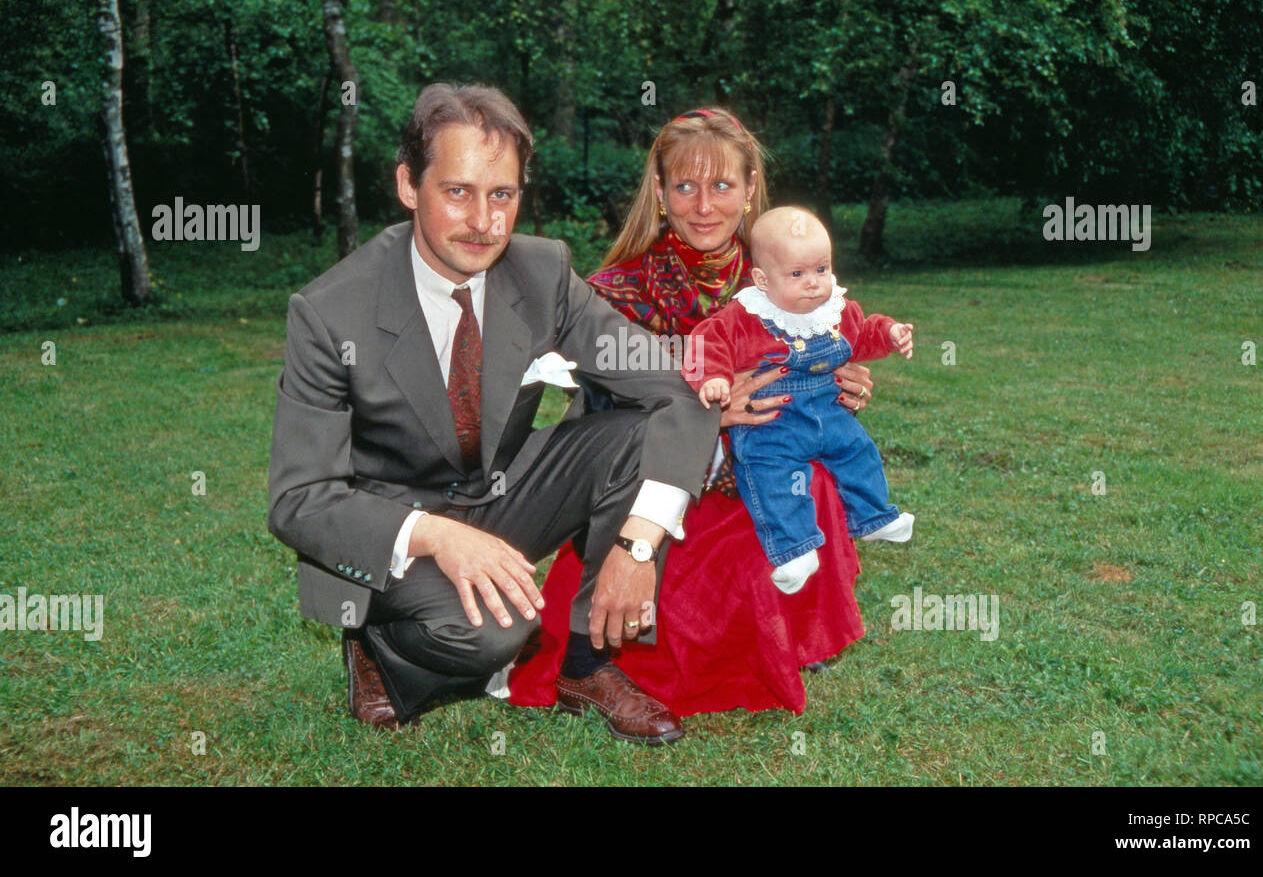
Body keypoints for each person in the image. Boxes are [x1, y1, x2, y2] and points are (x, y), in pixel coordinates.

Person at [266, 83, 719, 744]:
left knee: (640, 428)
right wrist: (436, 535)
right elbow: (299, 500)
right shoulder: (330, 311)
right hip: (391, 524)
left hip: (501, 489)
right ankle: (376, 643)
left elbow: (674, 388)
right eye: (457, 191)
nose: (483, 220)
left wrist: (639, 540)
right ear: (406, 184)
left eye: (502, 194)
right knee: (498, 632)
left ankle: (586, 668)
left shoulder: (543, 271)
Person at [507, 109, 880, 715]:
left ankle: (791, 634)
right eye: (685, 186)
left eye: (723, 185)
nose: (704, 205)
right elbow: (604, 423)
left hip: (761, 478)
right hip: (654, 503)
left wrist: (835, 381)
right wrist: (714, 413)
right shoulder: (611, 291)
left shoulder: (786, 284)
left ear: (751, 188)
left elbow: (813, 376)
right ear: (659, 192)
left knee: (809, 481)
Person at [687, 206, 916, 595]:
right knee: (772, 478)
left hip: (829, 413)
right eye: (797, 274)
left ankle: (874, 514)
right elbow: (707, 343)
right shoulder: (745, 316)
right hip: (772, 423)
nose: (813, 283)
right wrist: (712, 379)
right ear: (762, 279)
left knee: (858, 452)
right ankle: (795, 550)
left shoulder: (836, 311)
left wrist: (890, 333)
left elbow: (862, 335)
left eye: (821, 270)